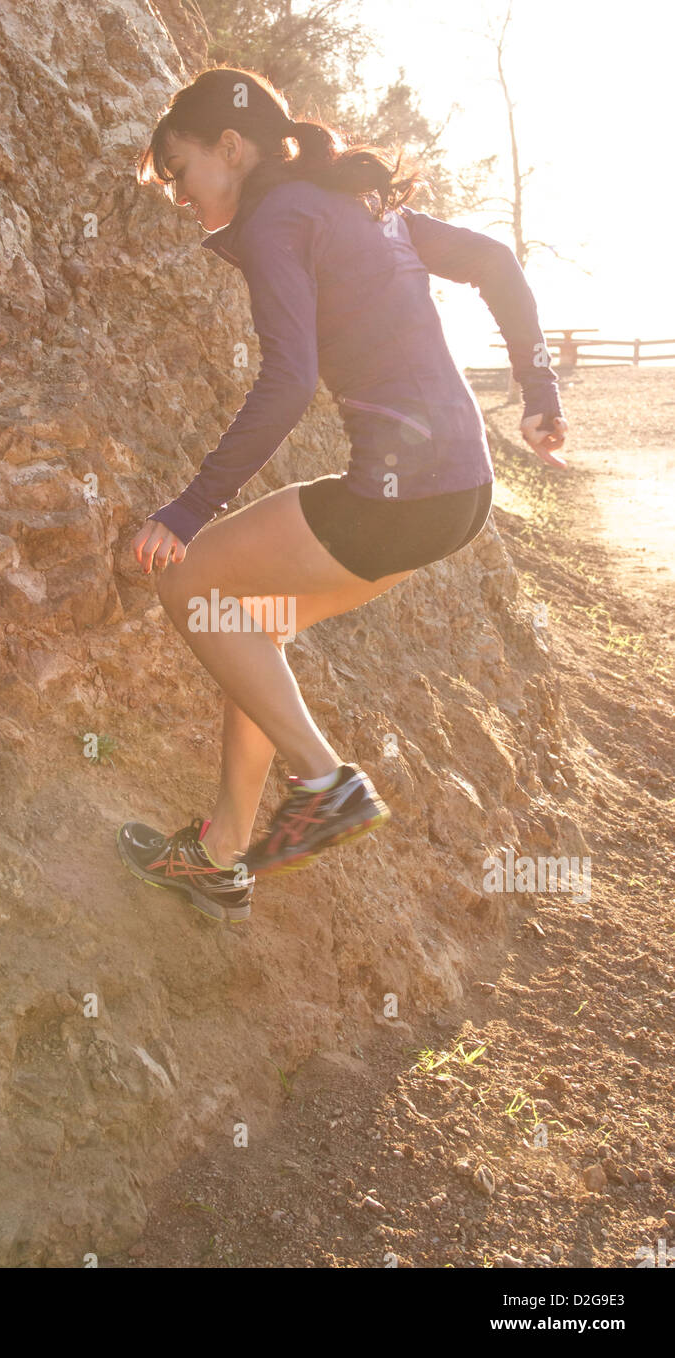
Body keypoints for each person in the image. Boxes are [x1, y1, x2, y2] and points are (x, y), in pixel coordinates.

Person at [116, 66, 568, 925]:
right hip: (462, 495)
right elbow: (494, 261)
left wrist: (187, 510)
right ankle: (219, 859)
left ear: (231, 146)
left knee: (186, 578)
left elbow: (287, 383)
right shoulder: (352, 202)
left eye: (179, 171)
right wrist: (538, 391)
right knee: (250, 628)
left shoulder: (278, 219)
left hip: (401, 497)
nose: (177, 194)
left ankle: (323, 784)